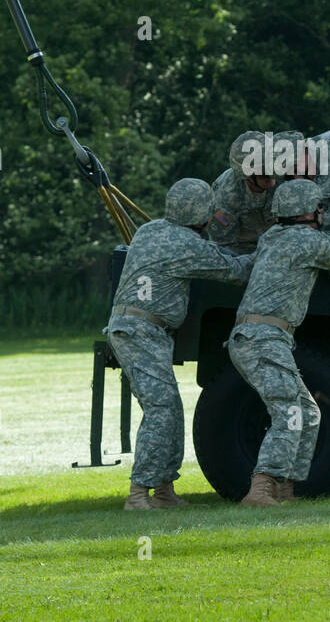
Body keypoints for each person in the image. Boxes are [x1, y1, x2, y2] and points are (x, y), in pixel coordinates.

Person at [106, 178, 253, 511]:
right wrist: (274, 249)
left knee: (169, 410)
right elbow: (236, 269)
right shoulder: (187, 245)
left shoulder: (150, 230)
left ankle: (164, 492)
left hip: (137, 330)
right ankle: (138, 494)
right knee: (161, 411)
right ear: (203, 213)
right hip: (142, 332)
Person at [228, 177, 330, 507]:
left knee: (307, 412)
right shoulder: (306, 242)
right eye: (319, 208)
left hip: (257, 338)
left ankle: (284, 489)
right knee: (290, 410)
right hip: (264, 339)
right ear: (311, 212)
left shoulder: (273, 237)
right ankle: (260, 488)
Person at [208, 129, 280, 254]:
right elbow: (222, 246)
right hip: (241, 250)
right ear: (246, 175)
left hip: (279, 242)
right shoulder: (226, 196)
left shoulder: (286, 178)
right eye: (264, 173)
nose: (271, 176)